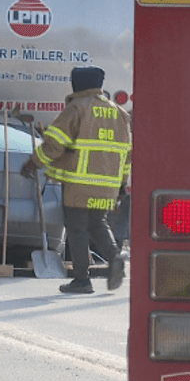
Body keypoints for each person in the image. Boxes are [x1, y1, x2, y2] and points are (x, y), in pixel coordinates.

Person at [21, 66, 131, 294]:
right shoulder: (120, 113)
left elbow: (54, 145)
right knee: (97, 222)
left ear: (77, 84)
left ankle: (82, 280)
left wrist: (33, 162)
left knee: (77, 227)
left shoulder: (76, 108)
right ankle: (114, 257)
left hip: (80, 183)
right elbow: (127, 154)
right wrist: (122, 184)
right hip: (109, 184)